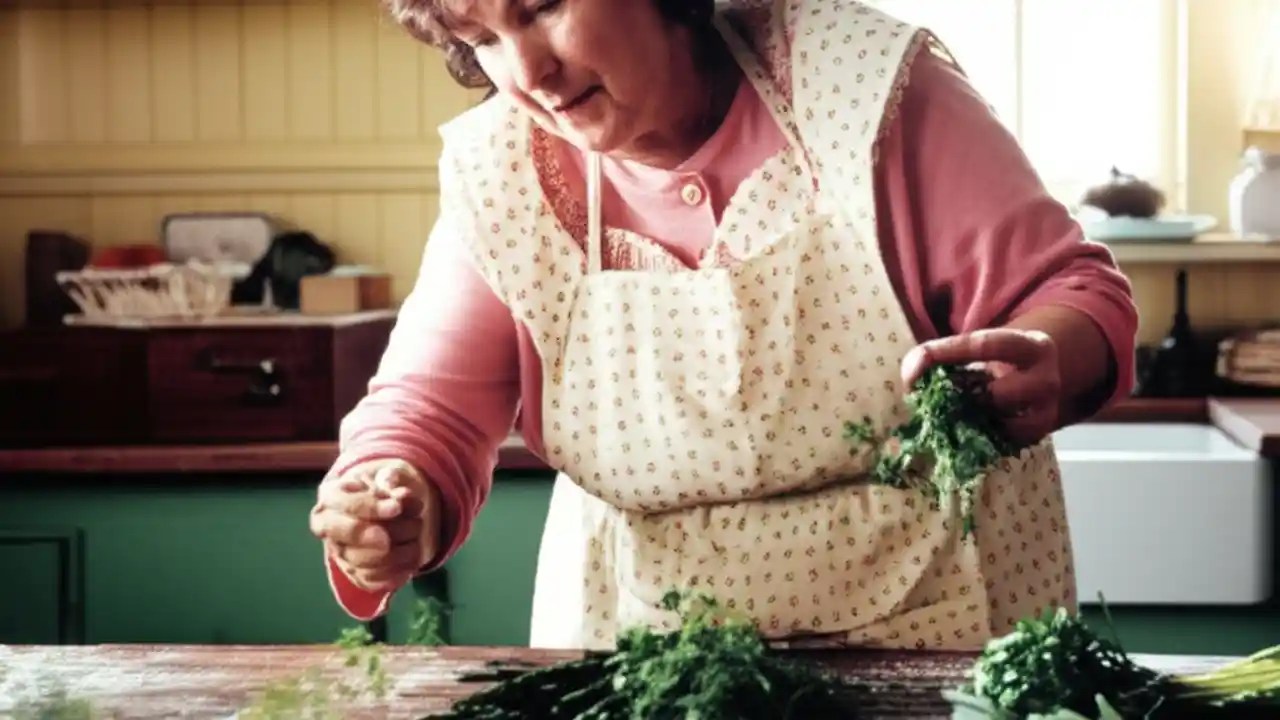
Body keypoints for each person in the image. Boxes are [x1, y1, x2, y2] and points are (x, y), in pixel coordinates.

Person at [308, 0, 1139, 651]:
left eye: (543, 5)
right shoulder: (503, 174)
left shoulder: (865, 87)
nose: (527, 73)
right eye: (480, 38)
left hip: (944, 634)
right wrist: (391, 492)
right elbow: (430, 411)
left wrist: (1052, 359)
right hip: (641, 649)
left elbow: (1072, 292)